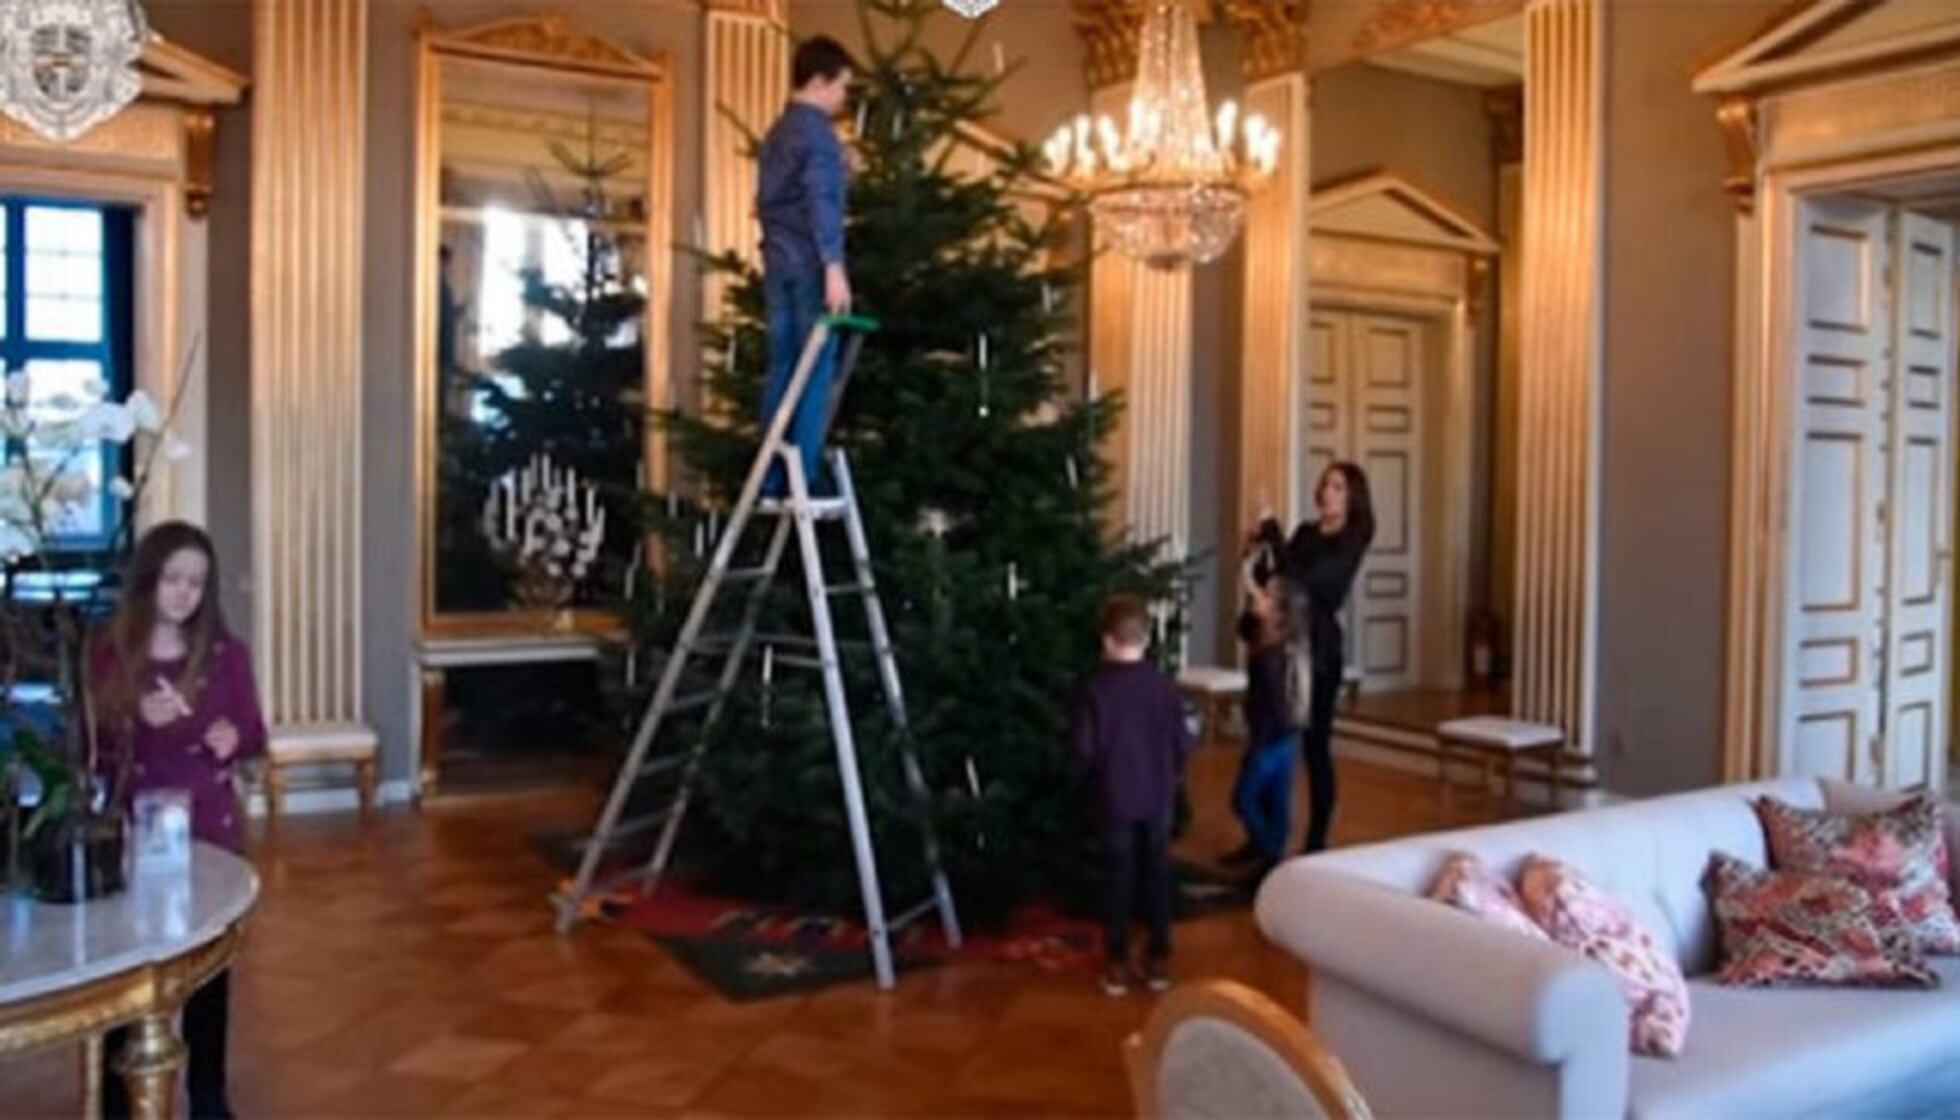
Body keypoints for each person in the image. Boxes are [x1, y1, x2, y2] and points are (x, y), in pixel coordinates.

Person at [92, 522, 266, 1120]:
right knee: (127, 965)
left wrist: (233, 737)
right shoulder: (111, 652)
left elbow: (255, 732)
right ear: (150, 580)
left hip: (210, 830)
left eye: (197, 582)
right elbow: (89, 749)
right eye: (173, 579)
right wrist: (132, 716)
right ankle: (118, 1096)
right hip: (135, 832)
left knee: (209, 970)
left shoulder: (226, 655)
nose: (185, 593)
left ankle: (209, 1094)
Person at [1072, 595, 1193, 997]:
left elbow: (1084, 750)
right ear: (1147, 639)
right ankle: (1159, 959)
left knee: (1118, 879)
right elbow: (1183, 743)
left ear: (1107, 640)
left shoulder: (1095, 690)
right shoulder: (1164, 687)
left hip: (1113, 798)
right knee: (1158, 873)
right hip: (1158, 795)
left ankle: (1118, 962)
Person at [1253, 462, 1374, 855]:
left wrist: (1273, 532)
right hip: (1283, 642)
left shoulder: (1354, 537)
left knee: (1315, 746)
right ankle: (1264, 838)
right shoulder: (1306, 532)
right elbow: (1277, 575)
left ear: (1352, 496)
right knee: (1269, 737)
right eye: (1324, 484)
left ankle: (1316, 840)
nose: (1326, 492)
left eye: (1337, 486)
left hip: (1318, 650)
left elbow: (1310, 585)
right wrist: (1259, 546)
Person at [756, 34, 855, 497]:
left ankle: (773, 476)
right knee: (815, 368)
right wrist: (833, 266)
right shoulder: (817, 132)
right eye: (841, 88)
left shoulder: (777, 133)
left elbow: (776, 202)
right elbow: (821, 202)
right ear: (819, 82)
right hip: (811, 267)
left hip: (777, 266)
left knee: (781, 367)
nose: (843, 99)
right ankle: (806, 474)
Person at [1221, 581, 1301, 877]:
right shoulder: (1267, 640)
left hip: (1272, 736)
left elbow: (1275, 705)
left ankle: (1270, 855)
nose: (1258, 598)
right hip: (1282, 735)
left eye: (1266, 598)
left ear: (1277, 614)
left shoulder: (1270, 656)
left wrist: (1259, 742)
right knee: (1274, 799)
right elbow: (1243, 626)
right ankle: (1262, 850)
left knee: (1244, 799)